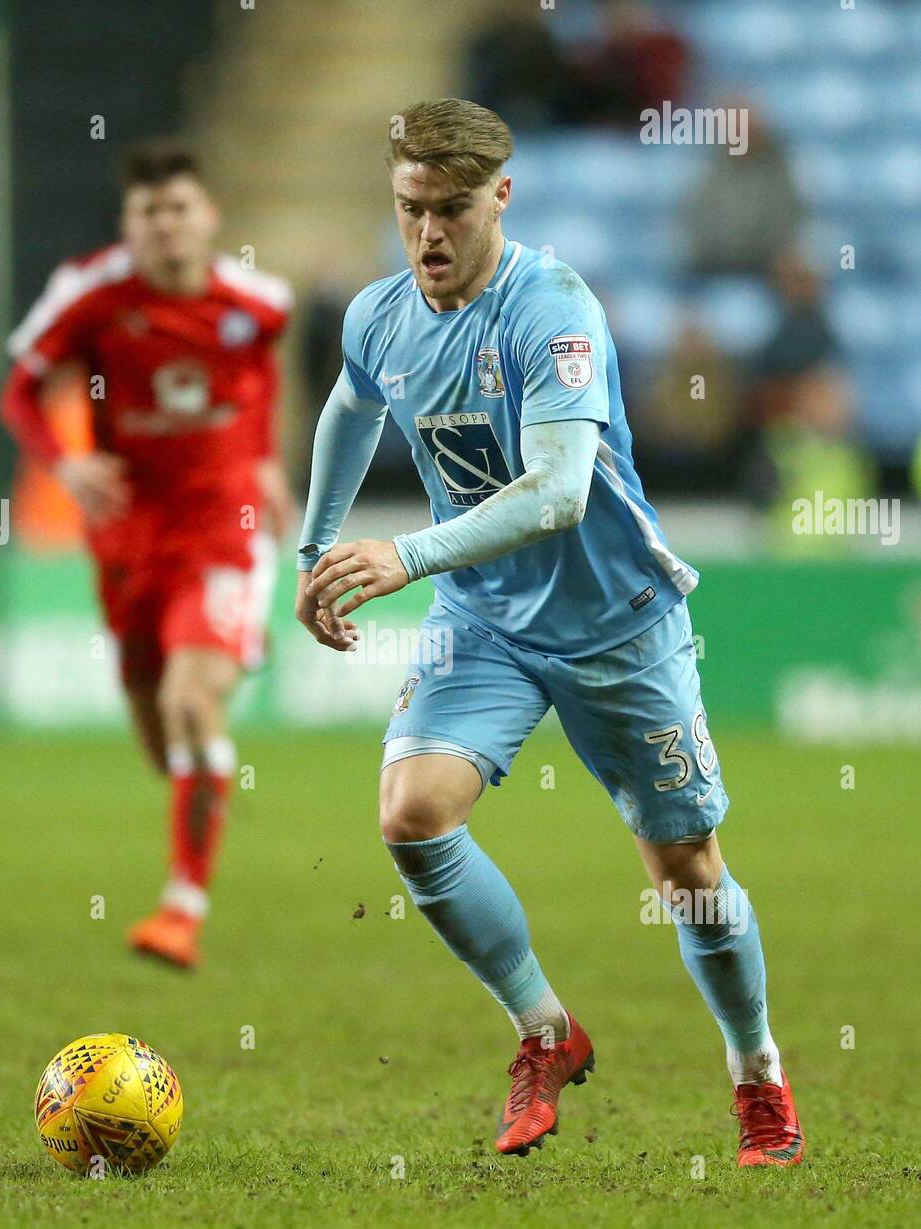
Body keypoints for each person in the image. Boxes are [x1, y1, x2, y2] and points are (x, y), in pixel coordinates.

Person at [295, 99, 803, 1166]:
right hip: (482, 622)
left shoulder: (553, 310)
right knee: (412, 814)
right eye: (407, 210)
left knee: (687, 872)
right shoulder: (381, 313)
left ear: (500, 197)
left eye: (449, 210)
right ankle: (544, 1031)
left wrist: (402, 552)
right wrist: (314, 548)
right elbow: (351, 403)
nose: (427, 235)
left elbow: (558, 493)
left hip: (614, 624)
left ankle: (755, 1069)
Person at [0, 139, 294, 968]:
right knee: (158, 736)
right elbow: (18, 387)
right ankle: (226, 651)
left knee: (191, 703)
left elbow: (262, 376)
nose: (164, 226)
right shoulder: (89, 293)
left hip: (222, 523)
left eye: (178, 209)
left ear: (209, 217)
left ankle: (181, 908)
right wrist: (62, 462)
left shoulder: (259, 300)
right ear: (128, 223)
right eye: (147, 212)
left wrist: (266, 462)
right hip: (130, 534)